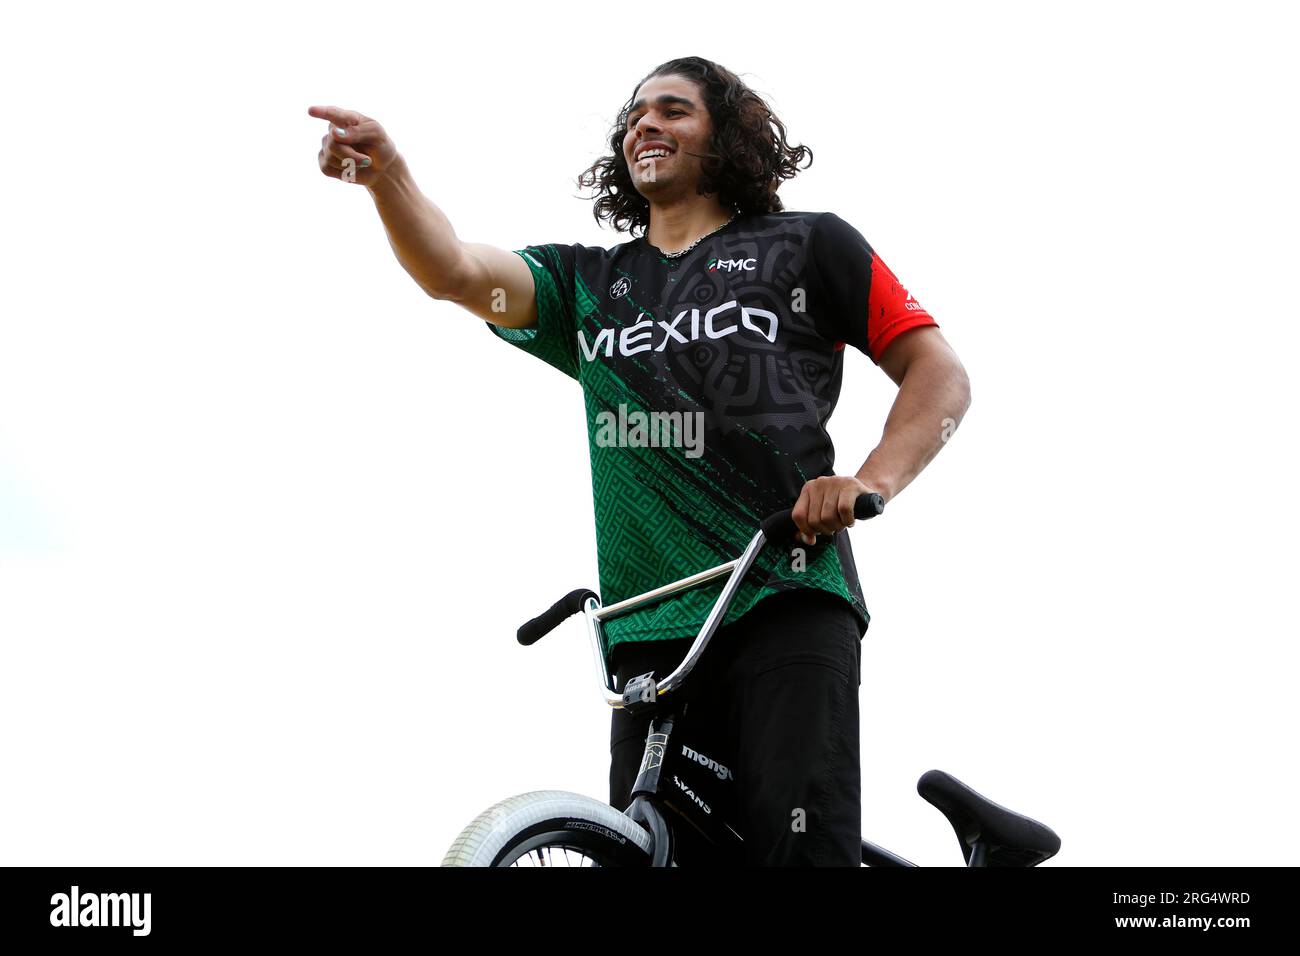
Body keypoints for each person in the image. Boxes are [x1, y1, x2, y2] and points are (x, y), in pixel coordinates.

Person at [309, 55, 971, 866]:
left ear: (727, 135)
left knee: (798, 848)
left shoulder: (808, 245)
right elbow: (454, 271)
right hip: (648, 628)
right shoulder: (586, 285)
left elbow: (939, 373)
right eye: (633, 116)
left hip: (784, 594)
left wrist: (868, 483)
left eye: (673, 110)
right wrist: (387, 179)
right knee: (657, 850)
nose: (645, 125)